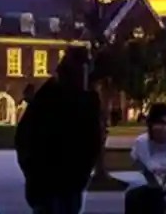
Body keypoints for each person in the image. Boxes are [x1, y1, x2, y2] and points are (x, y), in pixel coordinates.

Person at [15, 46, 103, 214]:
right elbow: (25, 138)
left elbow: (92, 143)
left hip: (63, 183)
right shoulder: (54, 99)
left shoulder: (83, 100)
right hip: (51, 183)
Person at [125, 104, 166, 214]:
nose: (164, 128)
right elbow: (145, 172)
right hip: (149, 191)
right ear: (151, 124)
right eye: (161, 123)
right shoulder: (142, 142)